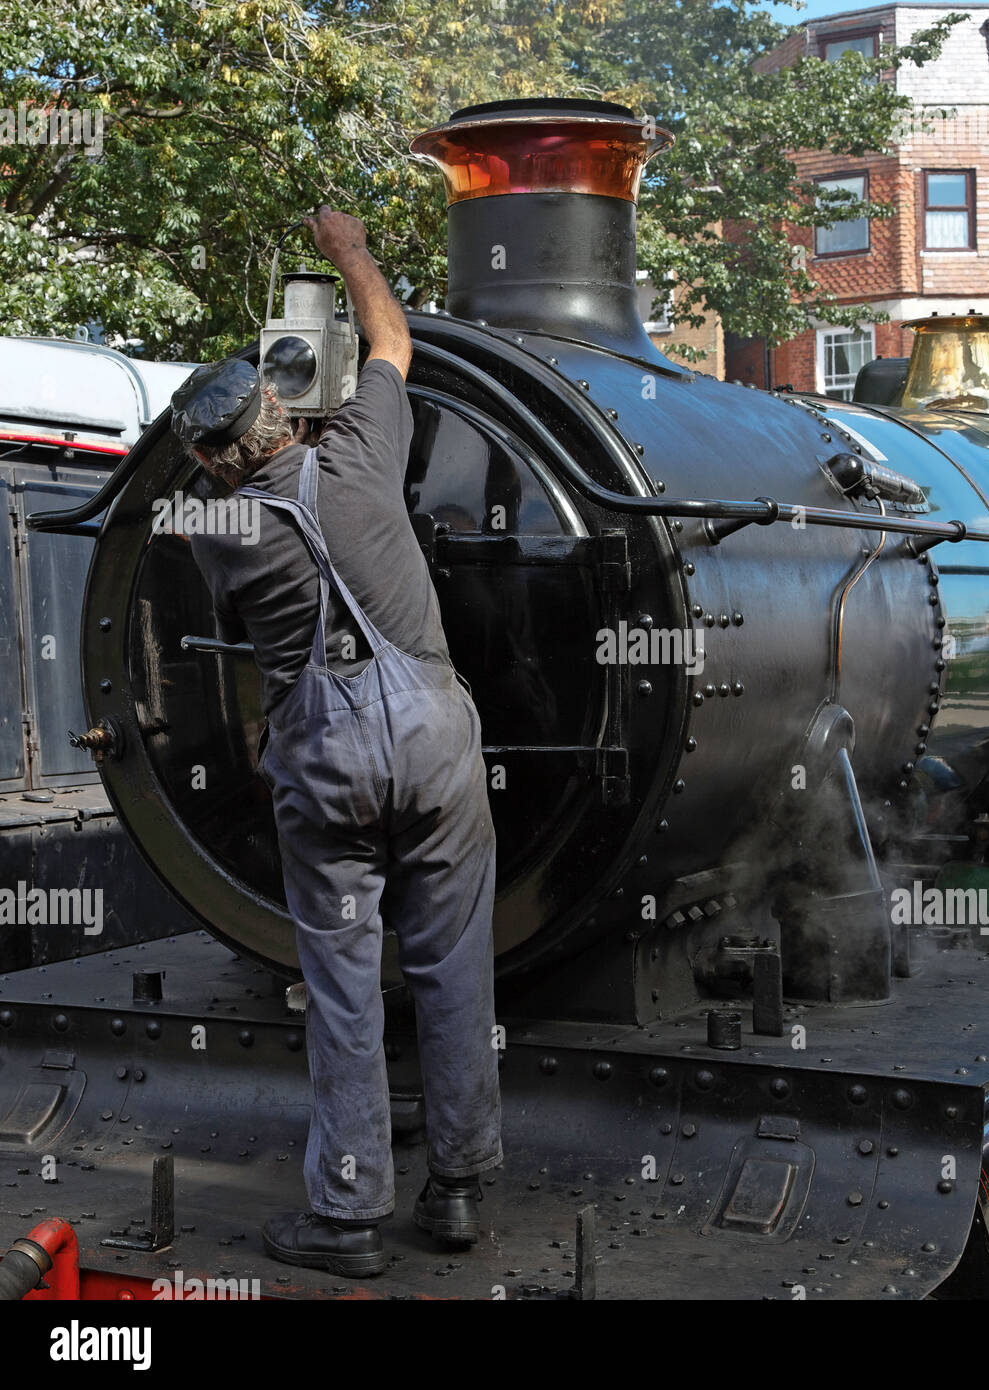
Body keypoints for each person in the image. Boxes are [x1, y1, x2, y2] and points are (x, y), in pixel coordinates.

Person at [171, 205, 502, 1279]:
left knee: (346, 987)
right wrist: (350, 253)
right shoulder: (362, 452)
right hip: (437, 745)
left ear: (218, 462)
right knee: (454, 970)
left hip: (329, 762)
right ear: (284, 407)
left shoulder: (217, 531)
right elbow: (395, 346)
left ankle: (350, 1214)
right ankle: (456, 1190)